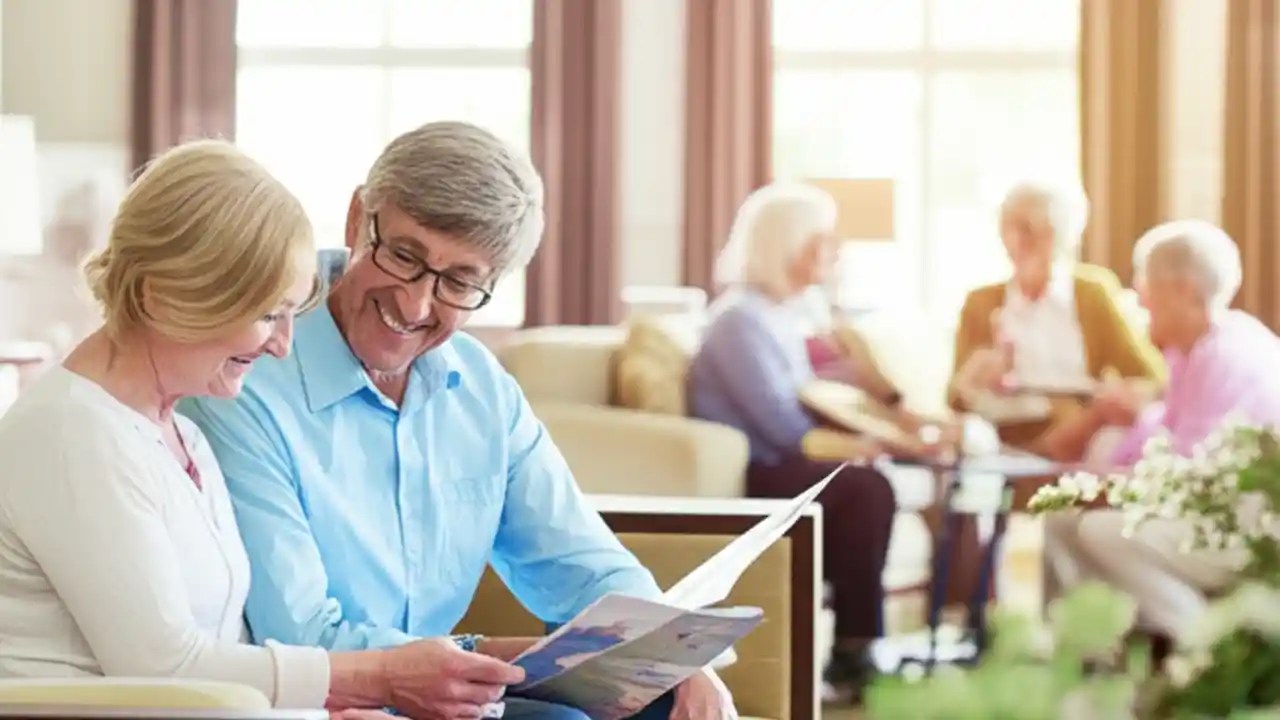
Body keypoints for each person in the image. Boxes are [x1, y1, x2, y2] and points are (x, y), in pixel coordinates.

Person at [180, 121, 734, 720]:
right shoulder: (245, 373)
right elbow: (301, 636)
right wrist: (479, 655)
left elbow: (581, 563)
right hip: (315, 701)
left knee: (664, 703)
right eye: (404, 256)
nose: (415, 303)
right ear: (357, 218)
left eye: (460, 282)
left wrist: (670, 655)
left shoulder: (479, 387)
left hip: (441, 701)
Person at [0, 140, 526, 719]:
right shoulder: (70, 434)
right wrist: (381, 678)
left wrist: (325, 712)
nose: (282, 345)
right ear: (164, 296)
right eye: (268, 314)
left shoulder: (179, 436)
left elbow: (227, 654)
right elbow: (165, 671)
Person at [684, 182, 910, 701]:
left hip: (782, 463)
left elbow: (819, 395)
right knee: (867, 488)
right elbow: (783, 428)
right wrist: (860, 447)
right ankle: (855, 653)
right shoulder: (739, 321)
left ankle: (858, 650)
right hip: (756, 471)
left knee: (868, 485)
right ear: (787, 247)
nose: (834, 252)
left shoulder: (784, 313)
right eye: (822, 242)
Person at [1043, 220, 1280, 639]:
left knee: (1103, 531)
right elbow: (1163, 442)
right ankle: (1088, 651)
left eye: (1146, 287)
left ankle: (1201, 646)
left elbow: (1187, 472)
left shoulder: (1227, 356)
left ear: (1183, 291)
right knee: (1063, 521)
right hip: (1215, 508)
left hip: (1246, 521)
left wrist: (1108, 487)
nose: (1139, 300)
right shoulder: (1193, 352)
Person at [948, 180, 1165, 452]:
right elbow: (954, 402)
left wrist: (1116, 396)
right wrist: (976, 377)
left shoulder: (1092, 293)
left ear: (1061, 236)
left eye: (1029, 230)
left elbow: (1150, 377)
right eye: (1007, 228)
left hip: (1077, 432)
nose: (1015, 241)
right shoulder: (980, 302)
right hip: (997, 437)